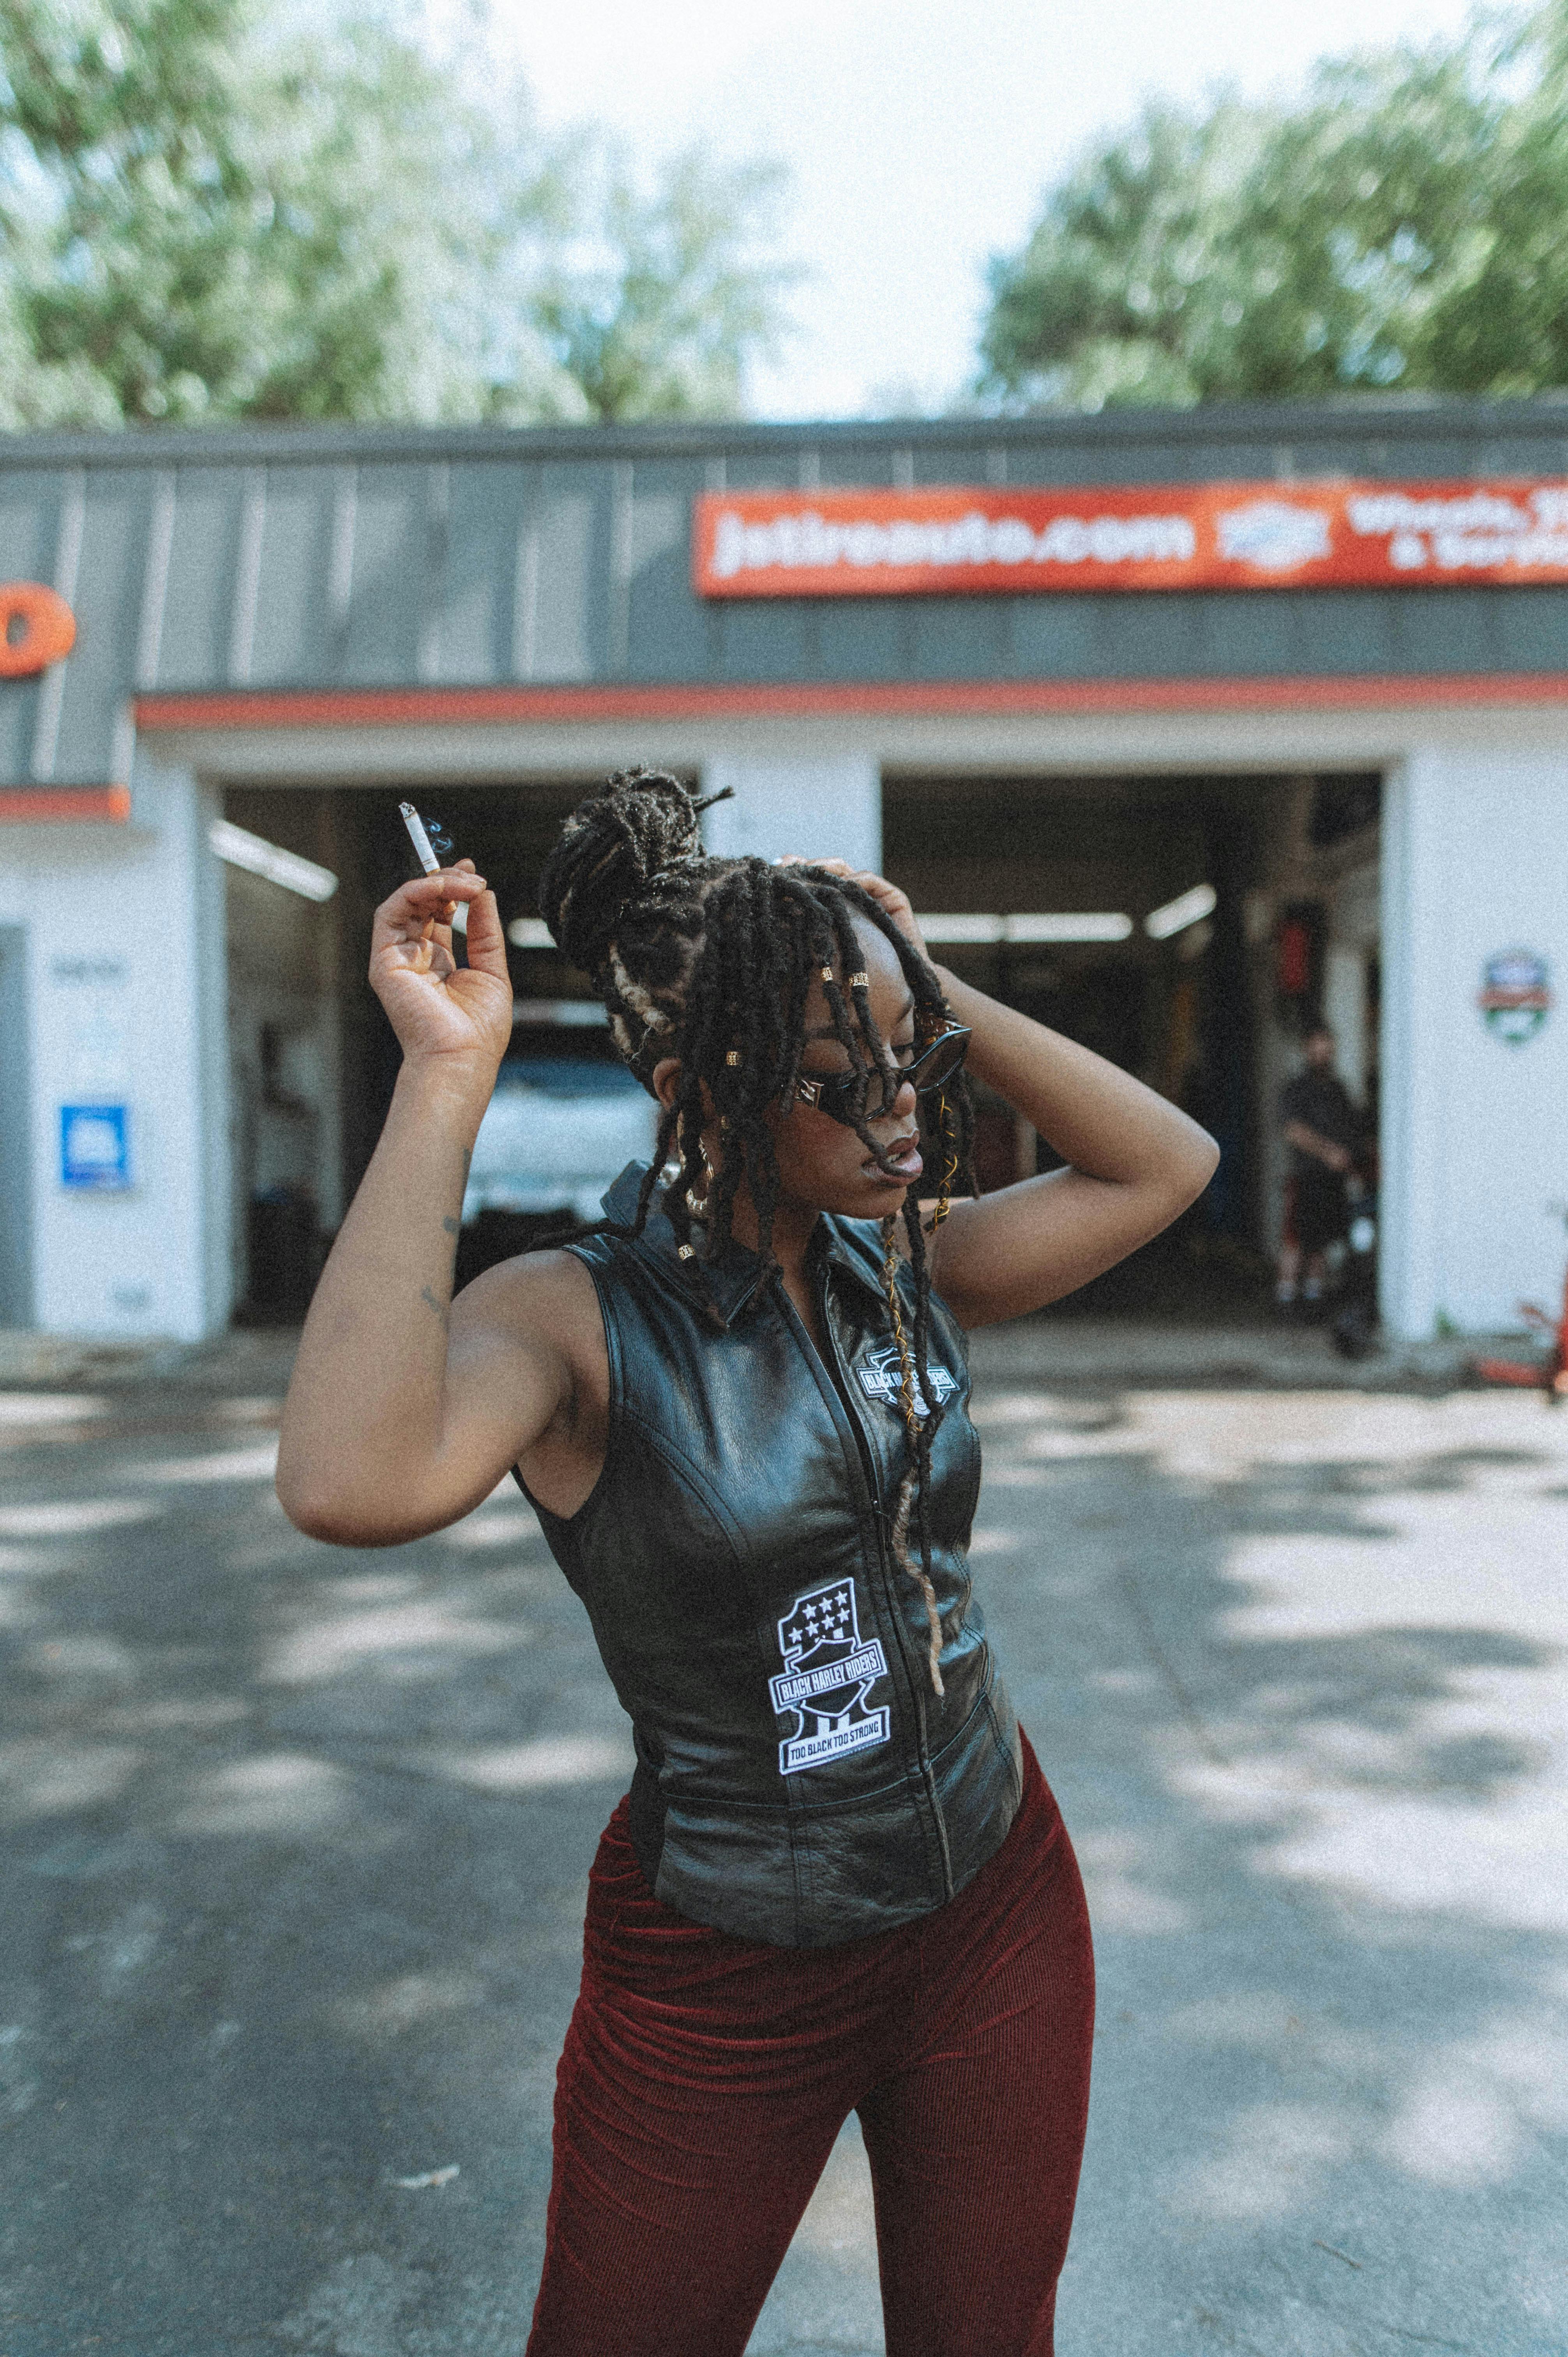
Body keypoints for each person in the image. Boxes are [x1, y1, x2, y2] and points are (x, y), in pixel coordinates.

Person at [276, 770, 1219, 2357]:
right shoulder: (567, 1319)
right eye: (847, 1081)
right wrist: (446, 1079)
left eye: (912, 1065)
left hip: (991, 1895)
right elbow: (345, 1478)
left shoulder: (906, 1253)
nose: (910, 1112)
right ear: (709, 1082)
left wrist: (916, 978)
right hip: (721, 1968)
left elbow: (1162, 1165)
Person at [1277, 1023, 1364, 1314]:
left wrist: (1348, 1159)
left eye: (1328, 1046)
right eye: (1317, 1045)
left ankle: (1315, 1294)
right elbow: (1293, 1131)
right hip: (1306, 1174)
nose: (1323, 1052)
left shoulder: (1338, 1089)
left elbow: (1351, 1128)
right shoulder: (1298, 1089)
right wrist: (1327, 1152)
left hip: (1333, 1178)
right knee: (1296, 1236)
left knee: (1323, 1238)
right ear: (1307, 1049)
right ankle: (1287, 1294)